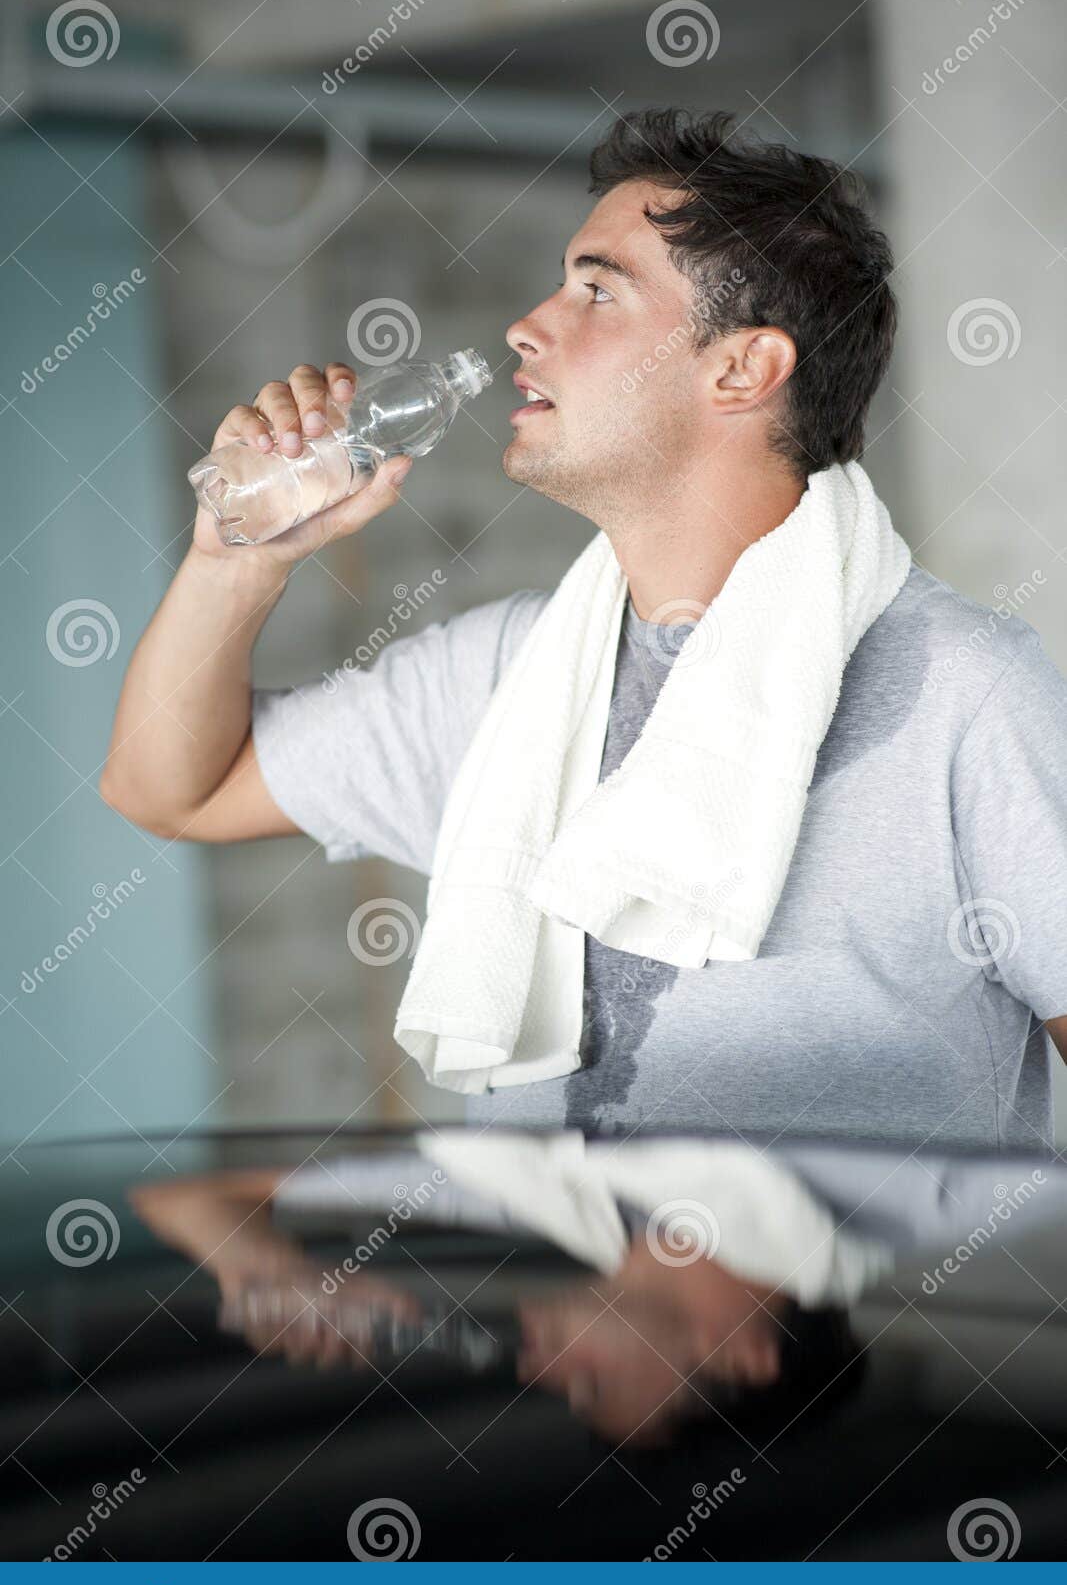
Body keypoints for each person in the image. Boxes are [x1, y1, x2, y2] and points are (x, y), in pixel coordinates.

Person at [99, 107, 1067, 1148]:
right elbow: (170, 788)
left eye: (597, 290)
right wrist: (235, 562)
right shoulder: (505, 679)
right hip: (539, 1257)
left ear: (740, 370)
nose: (527, 326)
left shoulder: (963, 690)